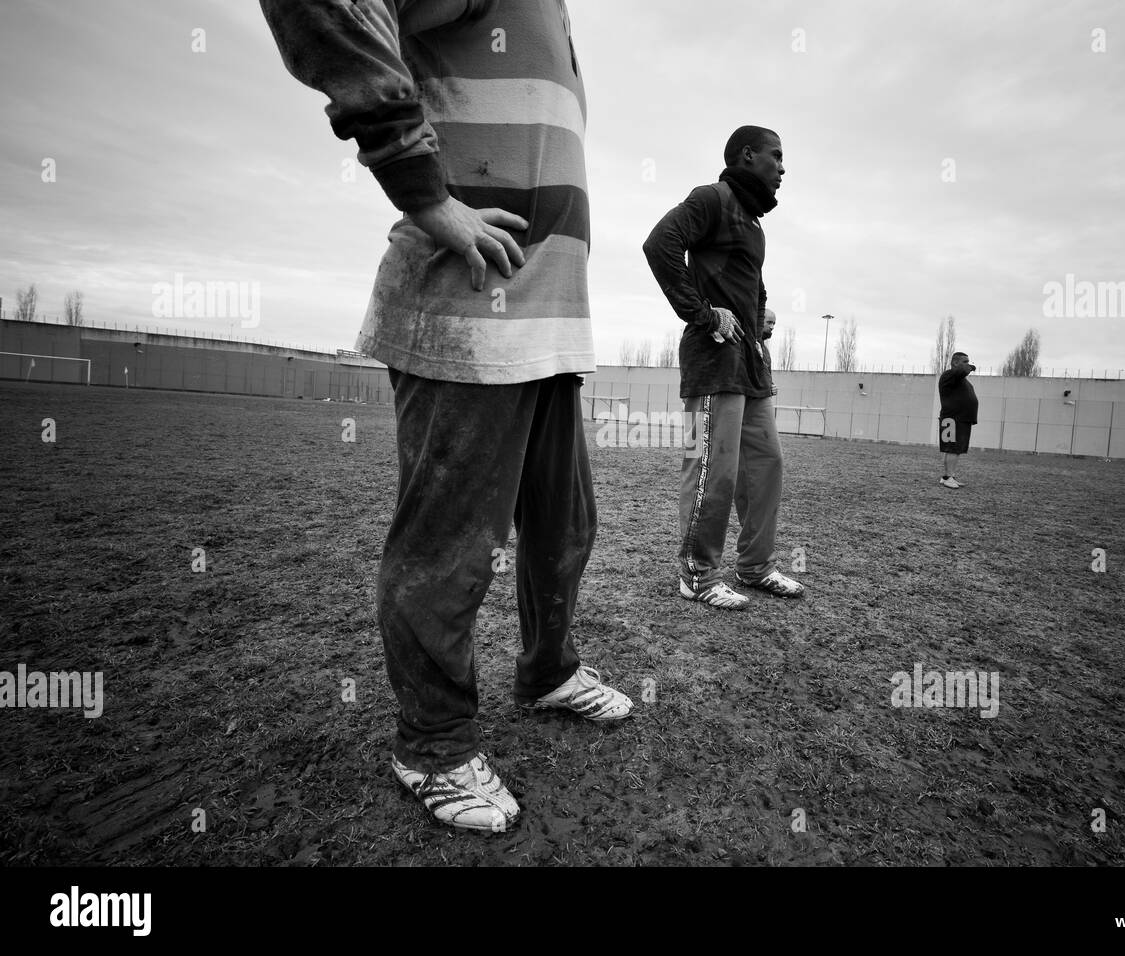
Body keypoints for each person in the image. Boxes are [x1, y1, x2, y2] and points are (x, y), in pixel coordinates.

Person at [259, 0, 630, 834]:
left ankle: (546, 671)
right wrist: (426, 194)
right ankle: (431, 743)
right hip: (471, 312)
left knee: (565, 527)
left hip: (552, 323)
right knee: (451, 547)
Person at [643, 126, 804, 610]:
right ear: (748, 155)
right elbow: (660, 244)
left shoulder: (754, 223)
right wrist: (704, 312)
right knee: (715, 466)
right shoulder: (713, 198)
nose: (782, 167)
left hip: (749, 363)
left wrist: (760, 319)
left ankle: (755, 566)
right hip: (714, 358)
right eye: (776, 156)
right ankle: (697, 573)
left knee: (765, 464)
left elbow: (752, 284)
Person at [938, 352, 978, 488]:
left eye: (968, 361)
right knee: (952, 448)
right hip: (953, 418)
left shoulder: (959, 379)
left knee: (953, 449)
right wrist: (970, 367)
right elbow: (962, 371)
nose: (968, 364)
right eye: (964, 361)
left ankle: (947, 476)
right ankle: (949, 477)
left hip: (960, 419)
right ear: (955, 363)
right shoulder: (949, 375)